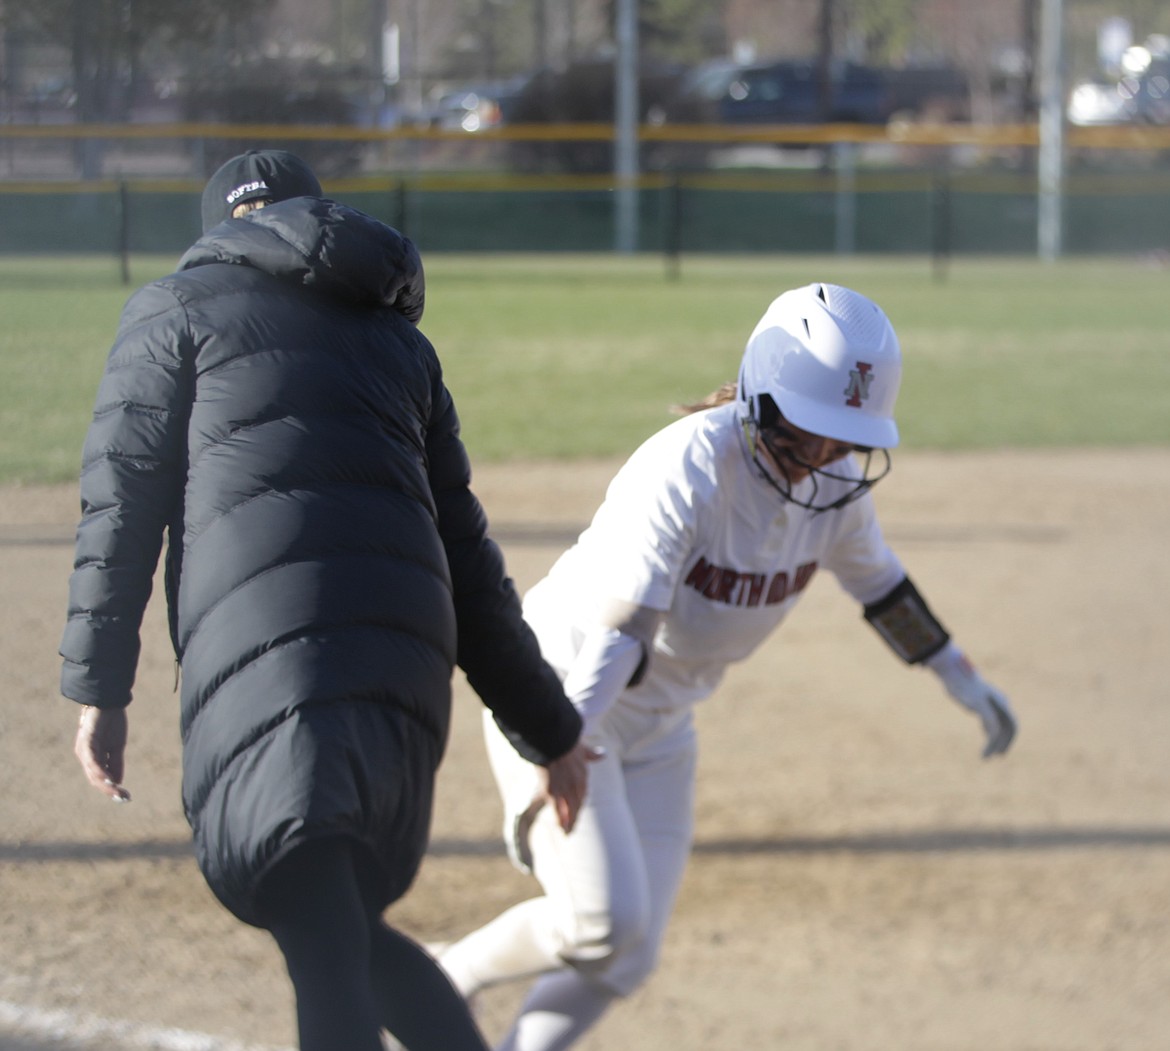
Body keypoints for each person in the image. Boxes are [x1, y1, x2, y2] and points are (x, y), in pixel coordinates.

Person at [60, 148, 596, 1051]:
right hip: (401, 659)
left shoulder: (173, 309)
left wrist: (98, 689)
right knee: (337, 919)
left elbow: (123, 506)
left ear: (220, 234)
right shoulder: (402, 347)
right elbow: (469, 559)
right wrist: (549, 727)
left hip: (271, 650)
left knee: (319, 921)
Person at [431, 282, 1018, 1051]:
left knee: (627, 956)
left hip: (664, 720)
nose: (820, 459)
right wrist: (556, 743)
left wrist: (959, 674)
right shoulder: (689, 466)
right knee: (600, 921)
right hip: (566, 690)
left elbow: (881, 586)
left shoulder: (835, 488)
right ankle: (444, 977)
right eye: (807, 433)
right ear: (758, 397)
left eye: (842, 440)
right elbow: (626, 629)